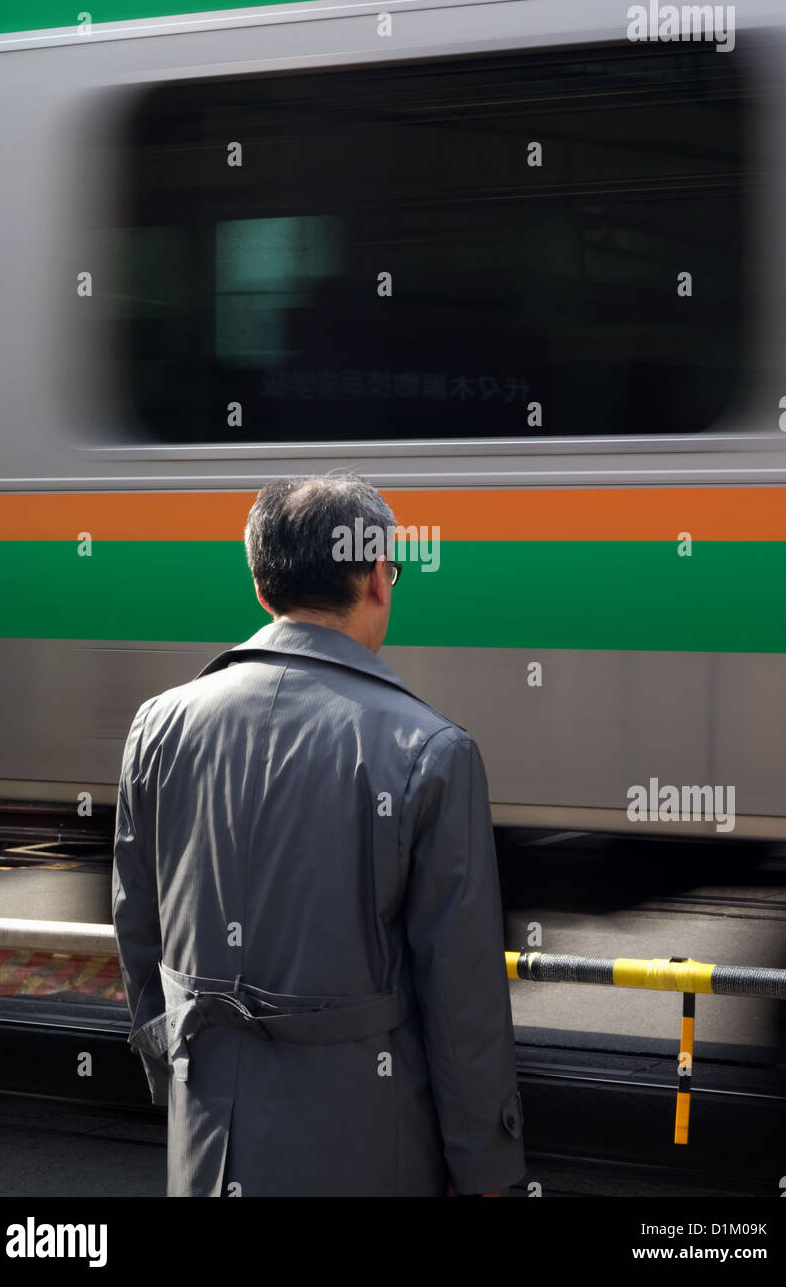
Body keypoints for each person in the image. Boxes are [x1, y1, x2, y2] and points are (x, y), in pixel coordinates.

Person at [112, 472, 524, 1197]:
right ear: (375, 579)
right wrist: (485, 1165)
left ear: (261, 586)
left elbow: (139, 929)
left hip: (206, 1142)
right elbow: (460, 994)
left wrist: (176, 1074)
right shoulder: (429, 749)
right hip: (369, 1146)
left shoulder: (159, 725)